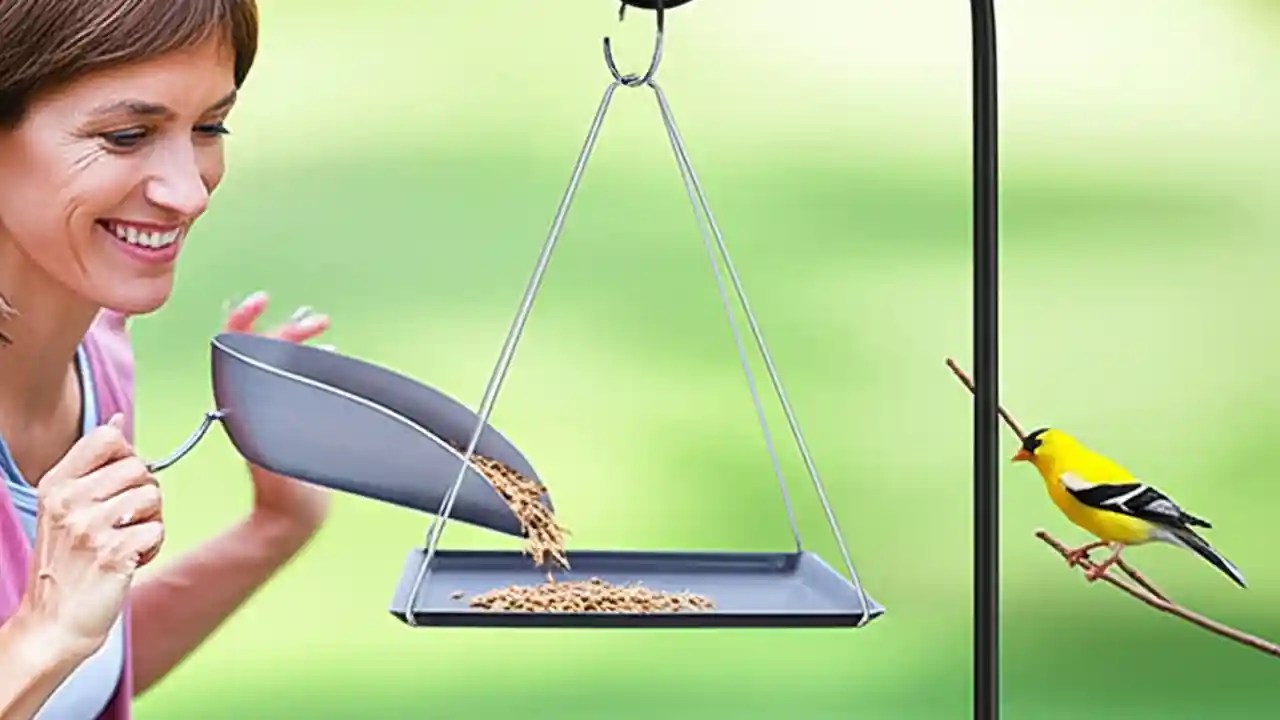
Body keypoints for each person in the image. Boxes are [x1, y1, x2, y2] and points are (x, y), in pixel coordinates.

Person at [0, 1, 334, 717]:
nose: (189, 192)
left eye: (210, 127)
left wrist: (276, 525)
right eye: (126, 136)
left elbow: (74, 682)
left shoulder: (99, 353)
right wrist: (40, 637)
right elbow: (39, 651)